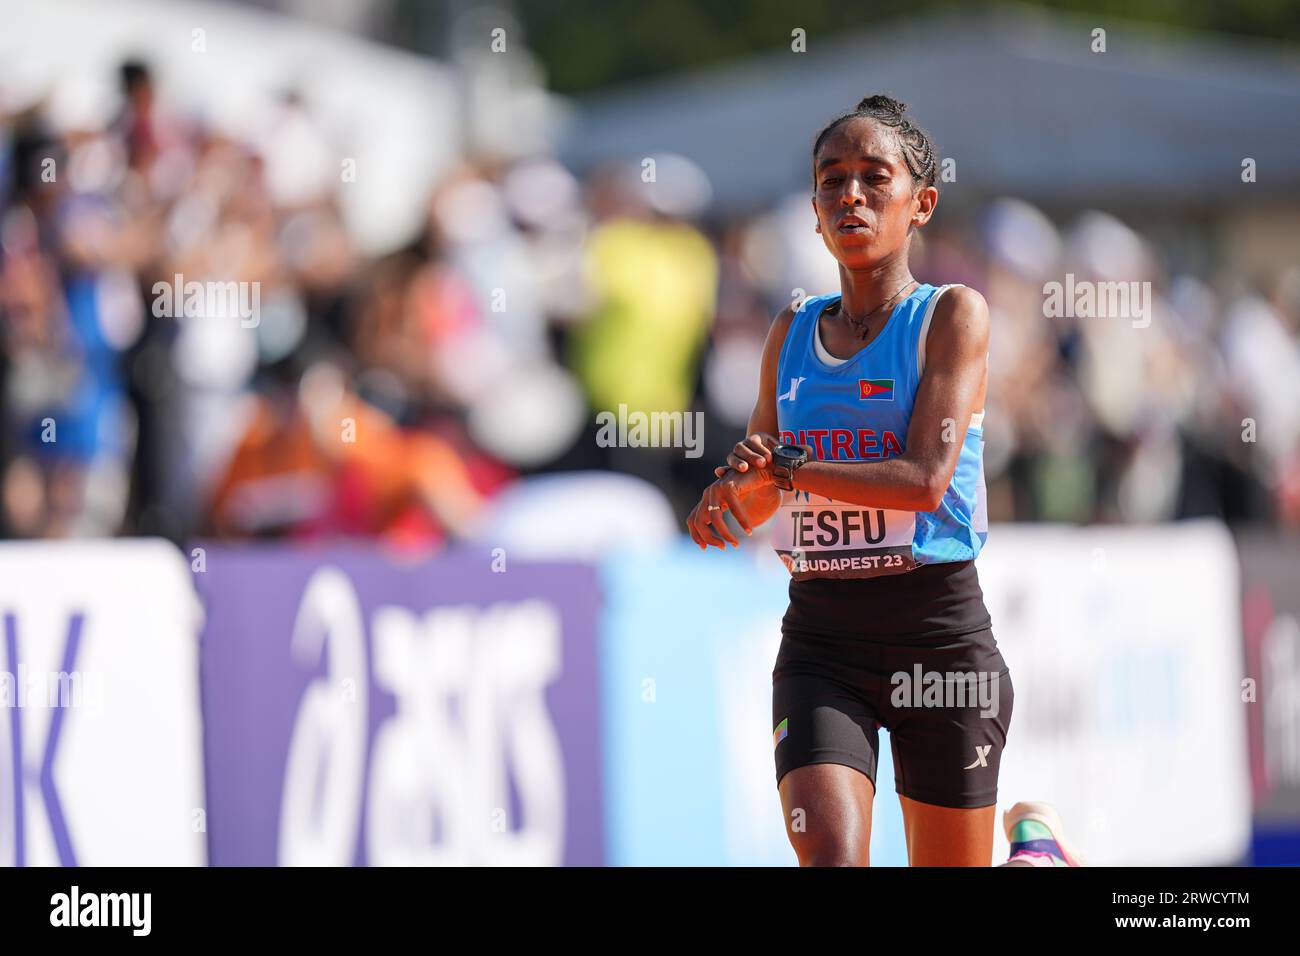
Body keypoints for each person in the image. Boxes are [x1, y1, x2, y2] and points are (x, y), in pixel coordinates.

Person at [687, 94, 1079, 867]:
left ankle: (1037, 857)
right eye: (833, 180)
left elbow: (924, 480)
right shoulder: (790, 331)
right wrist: (730, 501)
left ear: (920, 203)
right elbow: (765, 479)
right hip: (822, 641)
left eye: (874, 178)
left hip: (939, 642)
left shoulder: (951, 317)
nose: (851, 196)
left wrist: (789, 468)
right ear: (814, 207)